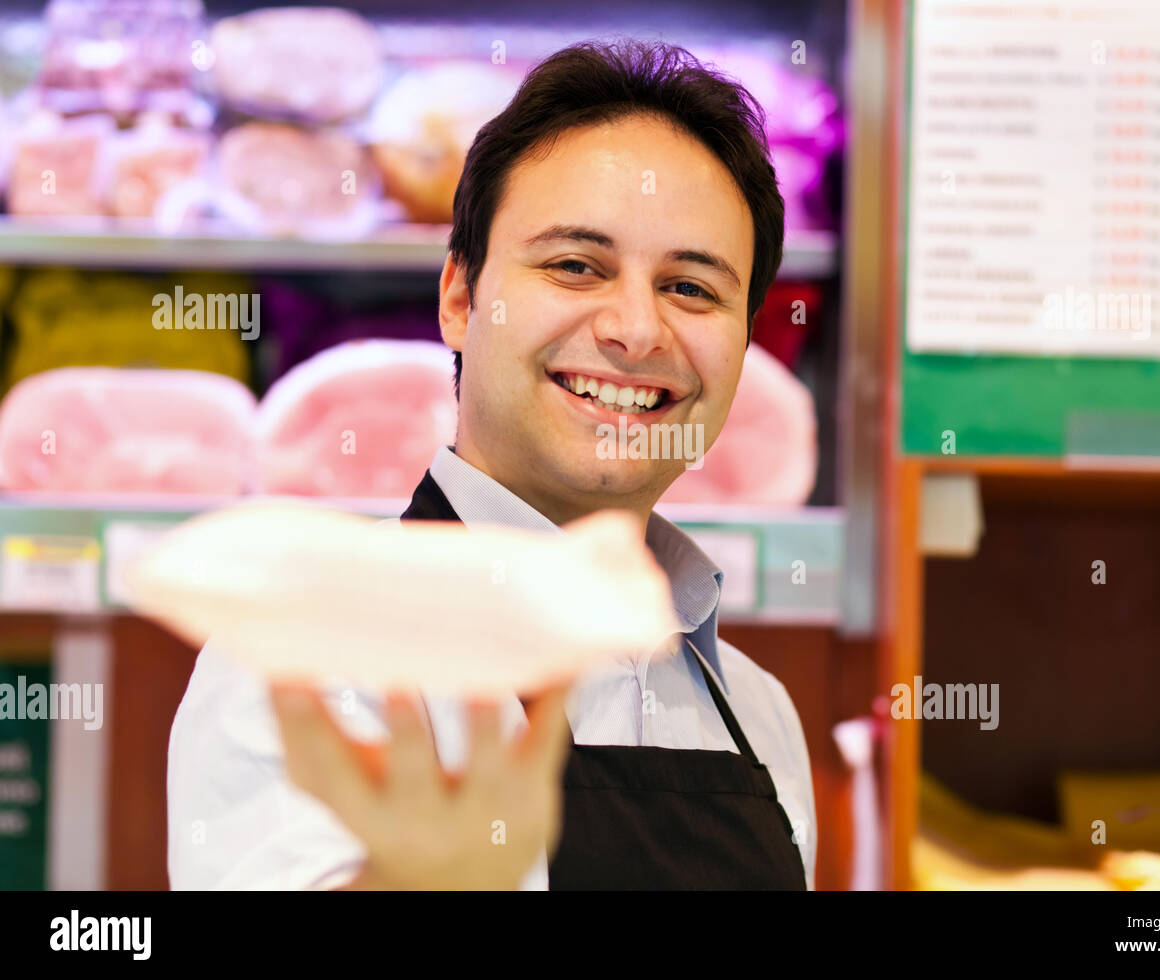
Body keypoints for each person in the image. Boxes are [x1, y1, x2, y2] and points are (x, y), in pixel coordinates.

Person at [167, 38, 816, 890]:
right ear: (461, 299)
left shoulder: (760, 713)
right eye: (576, 266)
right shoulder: (304, 663)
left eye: (692, 287)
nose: (635, 329)